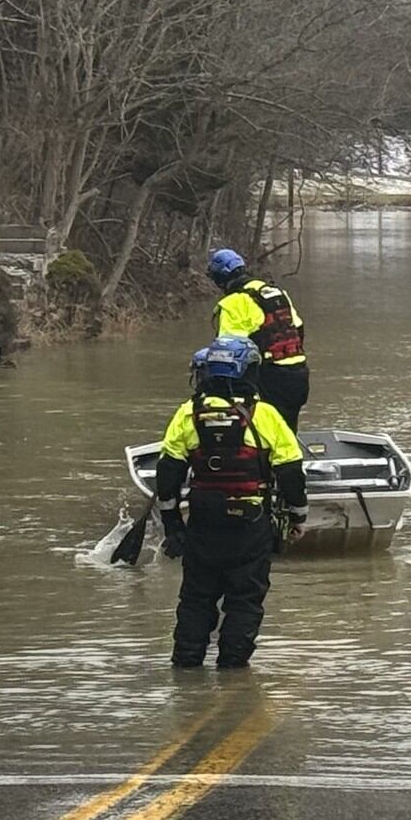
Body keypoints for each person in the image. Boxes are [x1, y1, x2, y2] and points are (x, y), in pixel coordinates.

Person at [155, 336, 308, 670]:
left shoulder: (187, 414)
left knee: (196, 599)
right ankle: (233, 672)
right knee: (244, 600)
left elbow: (166, 477)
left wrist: (172, 527)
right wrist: (298, 515)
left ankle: (186, 666)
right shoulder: (265, 415)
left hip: (202, 524)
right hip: (250, 526)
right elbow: (292, 473)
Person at [207, 247, 309, 430]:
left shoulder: (233, 303)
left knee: (262, 433)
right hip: (299, 376)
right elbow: (298, 330)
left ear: (220, 279)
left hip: (270, 378)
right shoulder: (276, 293)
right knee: (286, 433)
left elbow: (227, 353)